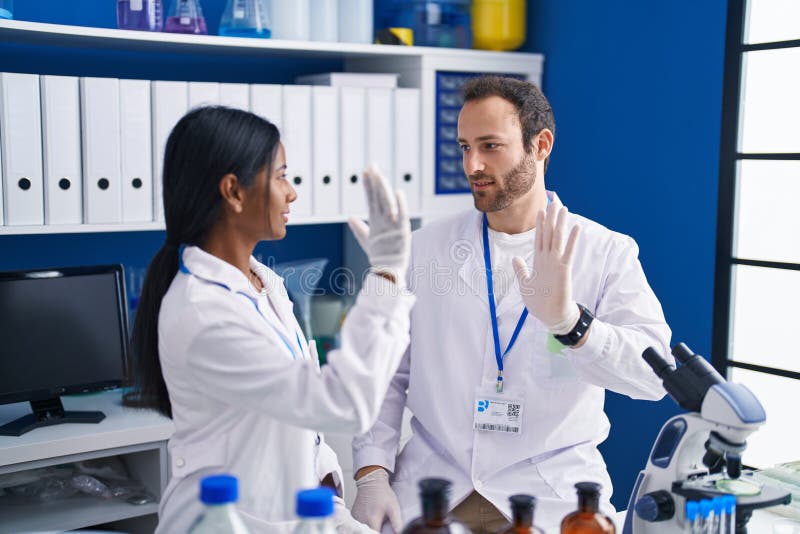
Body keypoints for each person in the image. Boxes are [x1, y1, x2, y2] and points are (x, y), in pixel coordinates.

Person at [350, 76, 673, 533]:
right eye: (464, 146)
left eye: (490, 146)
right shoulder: (422, 250)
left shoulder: (605, 253)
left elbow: (652, 376)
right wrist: (372, 474)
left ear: (540, 145)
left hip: (550, 494)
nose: (472, 164)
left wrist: (572, 324)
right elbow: (385, 377)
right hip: (434, 490)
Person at [130, 106, 415, 533]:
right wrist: (386, 278)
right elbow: (342, 404)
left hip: (294, 512)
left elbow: (301, 422)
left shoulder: (264, 283)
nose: (292, 192)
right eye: (281, 175)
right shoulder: (204, 314)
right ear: (234, 192)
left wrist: (332, 508)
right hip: (229, 523)